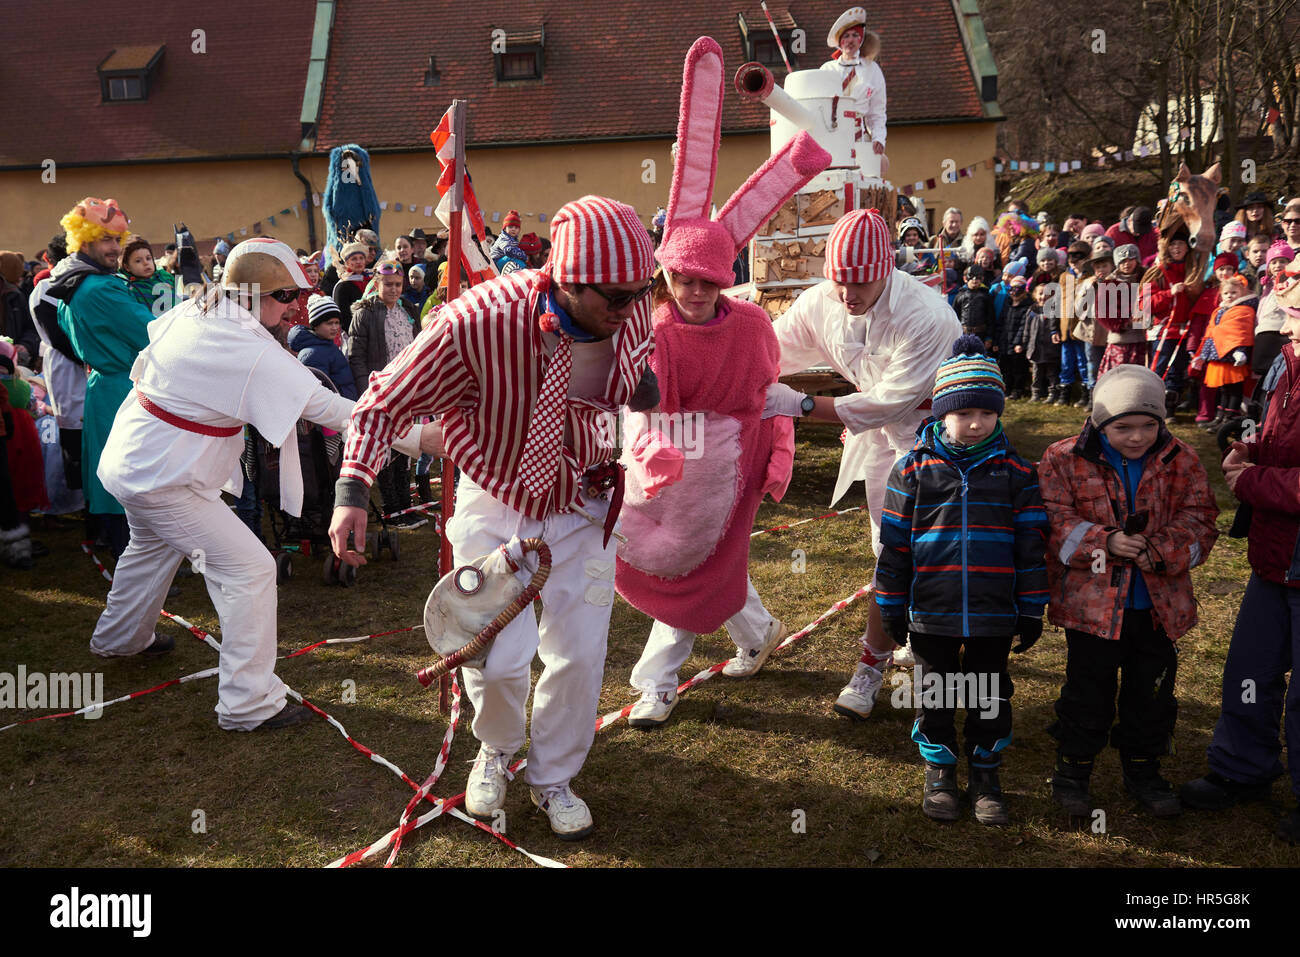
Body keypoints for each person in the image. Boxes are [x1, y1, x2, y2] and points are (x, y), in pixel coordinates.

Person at [329, 195, 660, 840]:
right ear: (567, 278)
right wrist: (351, 494)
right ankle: (497, 747)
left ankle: (554, 775)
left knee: (581, 652)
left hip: (583, 499)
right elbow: (380, 403)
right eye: (614, 299)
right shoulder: (476, 322)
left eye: (638, 294)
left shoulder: (632, 302)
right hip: (497, 496)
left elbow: (635, 359)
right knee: (498, 655)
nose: (628, 309)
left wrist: (636, 379)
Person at [88, 238, 431, 729]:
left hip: (140, 463)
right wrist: (419, 436)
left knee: (149, 549)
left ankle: (120, 639)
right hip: (163, 476)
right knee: (249, 570)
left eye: (297, 296)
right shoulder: (242, 343)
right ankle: (247, 703)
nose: (298, 308)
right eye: (287, 296)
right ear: (251, 295)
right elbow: (327, 407)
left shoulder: (200, 311)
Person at [616, 36, 830, 729]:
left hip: (731, 462)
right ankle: (757, 631)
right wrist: (650, 460)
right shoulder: (656, 331)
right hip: (672, 463)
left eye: (710, 280)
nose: (698, 291)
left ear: (725, 278)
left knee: (690, 563)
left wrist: (778, 454)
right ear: (667, 276)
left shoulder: (751, 330)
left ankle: (657, 681)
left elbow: (770, 396)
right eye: (685, 279)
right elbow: (646, 412)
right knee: (702, 562)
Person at [770, 208, 962, 719]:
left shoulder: (927, 315)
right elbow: (772, 349)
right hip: (881, 434)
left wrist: (800, 404)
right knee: (886, 542)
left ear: (889, 269)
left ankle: (882, 657)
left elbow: (891, 402)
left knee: (913, 547)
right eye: (838, 281)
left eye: (861, 282)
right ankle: (901, 630)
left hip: (933, 440)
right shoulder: (822, 300)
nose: (848, 294)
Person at [877, 336, 1047, 824]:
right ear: (940, 413)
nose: (976, 423)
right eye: (963, 413)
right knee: (936, 690)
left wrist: (1032, 606)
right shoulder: (911, 470)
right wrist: (891, 603)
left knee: (989, 691)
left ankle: (986, 769)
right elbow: (895, 548)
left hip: (995, 614)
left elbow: (1031, 545)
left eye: (987, 413)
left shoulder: (1017, 472)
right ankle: (940, 769)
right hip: (932, 612)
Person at [1038, 365, 1218, 819]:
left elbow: (1202, 519)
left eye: (1148, 425)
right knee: (1087, 693)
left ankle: (1143, 769)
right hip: (1092, 611)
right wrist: (1104, 541)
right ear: (1100, 423)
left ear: (1162, 421)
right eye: (1122, 427)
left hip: (1158, 609)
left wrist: (1161, 549)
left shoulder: (1183, 460)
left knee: (1152, 695)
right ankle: (1072, 771)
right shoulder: (1063, 459)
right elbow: (1051, 521)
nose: (1136, 437)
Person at [1182, 259, 1300, 841]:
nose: (1285, 284)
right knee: (1250, 672)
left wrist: (1248, 482)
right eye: (1287, 276)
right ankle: (1242, 769)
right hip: (1276, 555)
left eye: (1298, 277)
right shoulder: (1286, 359)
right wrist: (1254, 444)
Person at [47, 198, 152, 558]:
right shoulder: (99, 288)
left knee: (114, 473)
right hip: (124, 388)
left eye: (118, 240)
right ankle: (138, 562)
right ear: (85, 240)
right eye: (107, 239)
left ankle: (127, 554)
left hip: (104, 386)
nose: (116, 249)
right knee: (132, 476)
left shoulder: (71, 284)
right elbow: (150, 331)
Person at [346, 260, 424, 529]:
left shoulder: (408, 310)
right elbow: (355, 357)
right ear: (377, 284)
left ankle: (406, 505)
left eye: (398, 285)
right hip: (381, 393)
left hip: (407, 392)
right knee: (388, 451)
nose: (393, 290)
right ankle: (392, 509)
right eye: (388, 284)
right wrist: (366, 392)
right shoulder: (366, 314)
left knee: (407, 448)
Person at [820, 7, 887, 172]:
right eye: (846, 36)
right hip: (832, 135)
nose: (850, 40)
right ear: (839, 42)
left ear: (861, 39)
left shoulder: (872, 70)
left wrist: (878, 138)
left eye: (855, 35)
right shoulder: (827, 69)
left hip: (860, 137)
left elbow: (877, 112)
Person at [290, 295, 357, 399]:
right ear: (316, 325)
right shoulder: (313, 354)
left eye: (337, 323)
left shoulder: (327, 346)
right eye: (329, 323)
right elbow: (321, 395)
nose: (335, 327)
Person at [1095, 244, 1148, 376]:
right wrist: (1123, 323)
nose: (1126, 264)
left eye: (1131, 259)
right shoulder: (1109, 283)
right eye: (1122, 261)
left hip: (1143, 337)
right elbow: (1102, 311)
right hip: (1121, 338)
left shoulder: (1147, 280)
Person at [1025, 280, 1061, 402]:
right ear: (1035, 296)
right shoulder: (1032, 310)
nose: (1043, 296)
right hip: (1035, 347)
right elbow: (1027, 326)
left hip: (1050, 347)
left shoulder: (1054, 309)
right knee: (1036, 372)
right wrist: (1025, 340)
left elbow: (1055, 326)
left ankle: (1053, 393)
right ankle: (1036, 393)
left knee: (1052, 372)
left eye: (1046, 294)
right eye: (1040, 294)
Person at [331, 240, 371, 329]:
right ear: (347, 263)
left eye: (361, 258)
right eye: (354, 259)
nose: (358, 262)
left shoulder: (370, 280)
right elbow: (343, 317)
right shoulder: (343, 285)